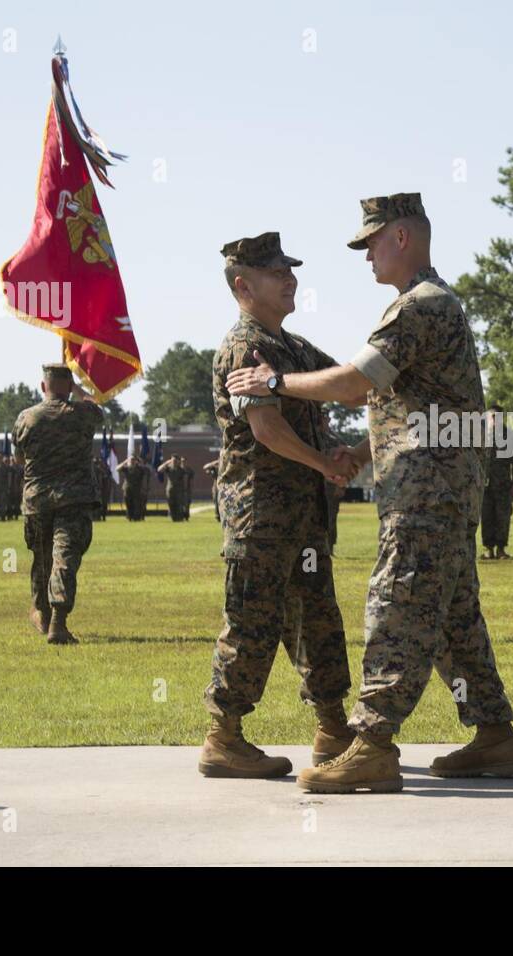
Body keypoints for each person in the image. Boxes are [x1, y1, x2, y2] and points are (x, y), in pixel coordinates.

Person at [226, 194, 513, 793]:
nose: (365, 257)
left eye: (371, 244)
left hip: (424, 497)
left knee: (396, 608)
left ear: (403, 239)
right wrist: (356, 457)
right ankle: (495, 734)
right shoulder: (433, 306)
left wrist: (275, 380)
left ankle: (372, 745)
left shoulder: (419, 307)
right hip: (441, 490)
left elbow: (356, 383)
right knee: (452, 621)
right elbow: (403, 407)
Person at [199, 231, 357, 780]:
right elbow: (266, 429)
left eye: (291, 269)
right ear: (243, 285)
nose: (291, 278)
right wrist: (326, 463)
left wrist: (338, 443)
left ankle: (333, 727)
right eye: (276, 272)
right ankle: (223, 737)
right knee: (252, 622)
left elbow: (354, 389)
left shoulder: (292, 349)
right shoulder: (246, 348)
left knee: (318, 620)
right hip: (260, 513)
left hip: (303, 515)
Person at [12, 363, 105, 645]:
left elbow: (18, 458)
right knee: (64, 559)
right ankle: (58, 621)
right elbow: (98, 410)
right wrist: (77, 389)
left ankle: (40, 611)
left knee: (42, 558)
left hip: (37, 501)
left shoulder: (27, 417)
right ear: (68, 385)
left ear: (43, 386)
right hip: (73, 500)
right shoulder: (82, 415)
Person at [480, 404, 513, 557]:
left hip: (503, 484)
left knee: (503, 517)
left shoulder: (510, 436)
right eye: (492, 417)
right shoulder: (481, 435)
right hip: (484, 486)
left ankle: (501, 548)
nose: (495, 420)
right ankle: (488, 549)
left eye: (498, 417)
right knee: (486, 516)